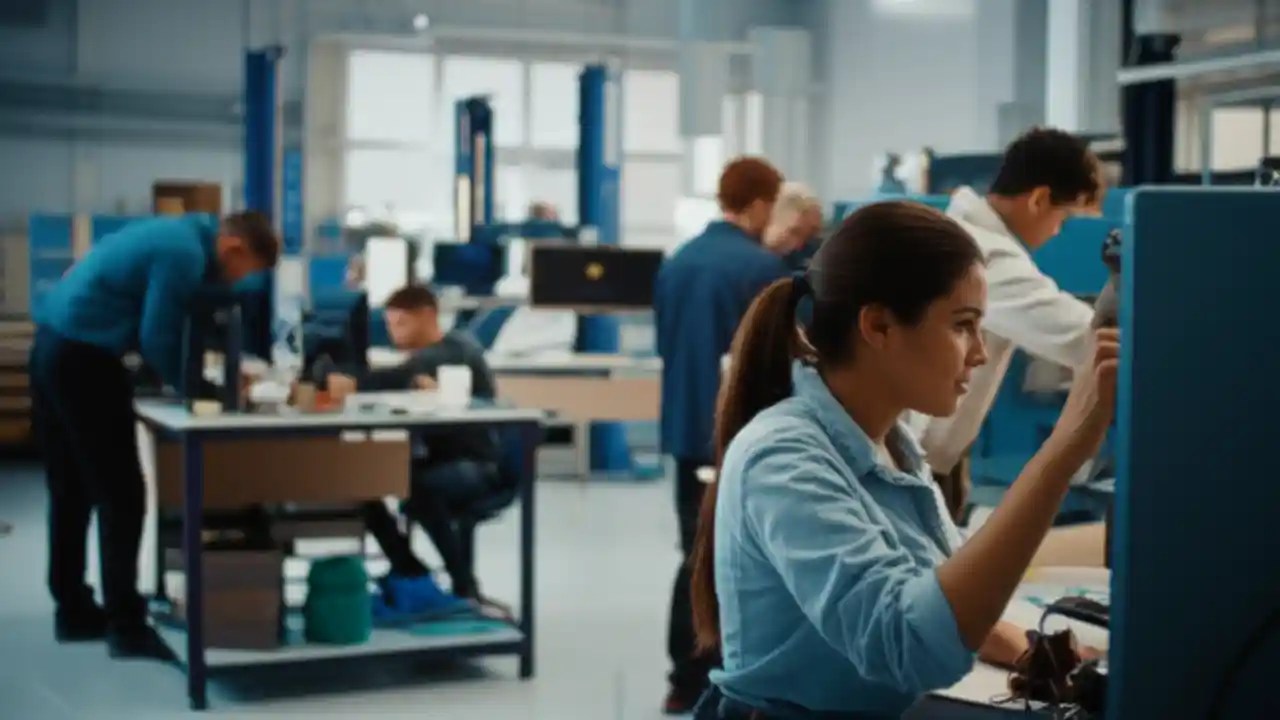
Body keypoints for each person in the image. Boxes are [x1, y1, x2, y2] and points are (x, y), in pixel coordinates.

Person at [688, 201, 1118, 719]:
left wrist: (1022, 644)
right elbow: (907, 644)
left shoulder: (892, 442)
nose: (979, 353)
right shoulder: (784, 457)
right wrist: (1062, 451)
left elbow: (931, 588)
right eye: (963, 325)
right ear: (879, 326)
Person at [31, 211, 279, 660]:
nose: (244, 282)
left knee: (70, 490)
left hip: (52, 346)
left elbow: (181, 319)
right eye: (249, 271)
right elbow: (157, 334)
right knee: (122, 494)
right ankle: (126, 626)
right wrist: (200, 395)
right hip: (84, 360)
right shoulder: (182, 253)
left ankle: (73, 610)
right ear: (234, 248)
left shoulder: (180, 235)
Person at [654, 156, 789, 714]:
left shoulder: (677, 263)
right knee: (741, 562)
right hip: (738, 436)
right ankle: (727, 677)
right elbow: (773, 363)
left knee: (695, 553)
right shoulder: (760, 269)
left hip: (686, 430)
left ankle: (684, 679)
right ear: (760, 204)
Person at [914, 127, 1101, 521]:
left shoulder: (967, 236)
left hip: (925, 455)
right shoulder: (983, 254)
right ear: (1040, 199)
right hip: (911, 458)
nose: (1057, 232)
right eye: (1064, 218)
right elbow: (1081, 337)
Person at [325, 285, 503, 607]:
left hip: (476, 464)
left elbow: (404, 373)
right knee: (365, 483)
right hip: (438, 457)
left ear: (427, 316)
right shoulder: (428, 359)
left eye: (402, 323)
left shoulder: (455, 350)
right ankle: (409, 569)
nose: (394, 332)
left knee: (419, 489)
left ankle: (463, 585)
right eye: (391, 324)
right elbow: (407, 374)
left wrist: (354, 384)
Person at [762, 182, 825, 272]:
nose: (799, 244)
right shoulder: (753, 258)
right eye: (795, 233)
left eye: (810, 235)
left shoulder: (819, 253)